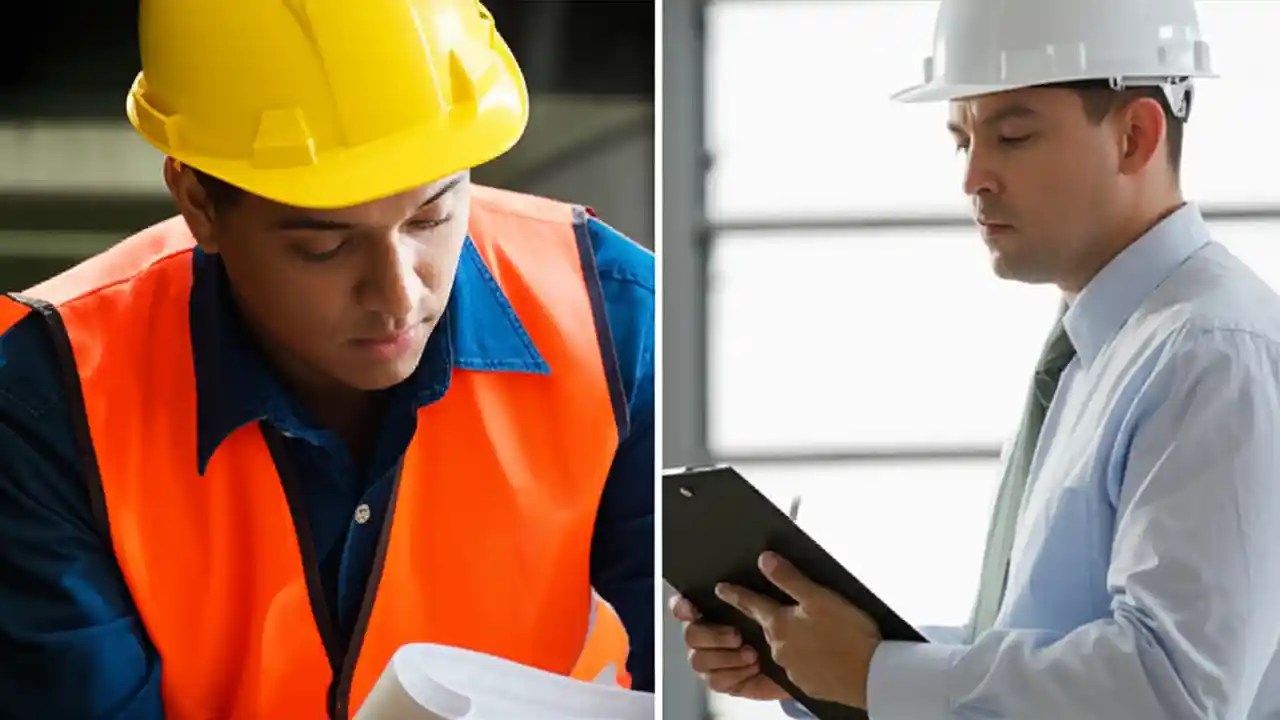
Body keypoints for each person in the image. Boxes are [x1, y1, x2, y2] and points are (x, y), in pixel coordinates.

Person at [0, 0, 654, 717]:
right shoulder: (49, 396)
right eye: (325, 246)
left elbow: (704, 676)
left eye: (432, 217)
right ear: (199, 202)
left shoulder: (611, 320)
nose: (398, 293)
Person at [673, 0, 1280, 717]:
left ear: (1135, 136)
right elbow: (1034, 641)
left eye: (1013, 136)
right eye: (962, 139)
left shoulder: (1211, 355)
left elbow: (1170, 688)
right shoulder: (1105, 352)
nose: (973, 178)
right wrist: (819, 662)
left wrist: (875, 674)